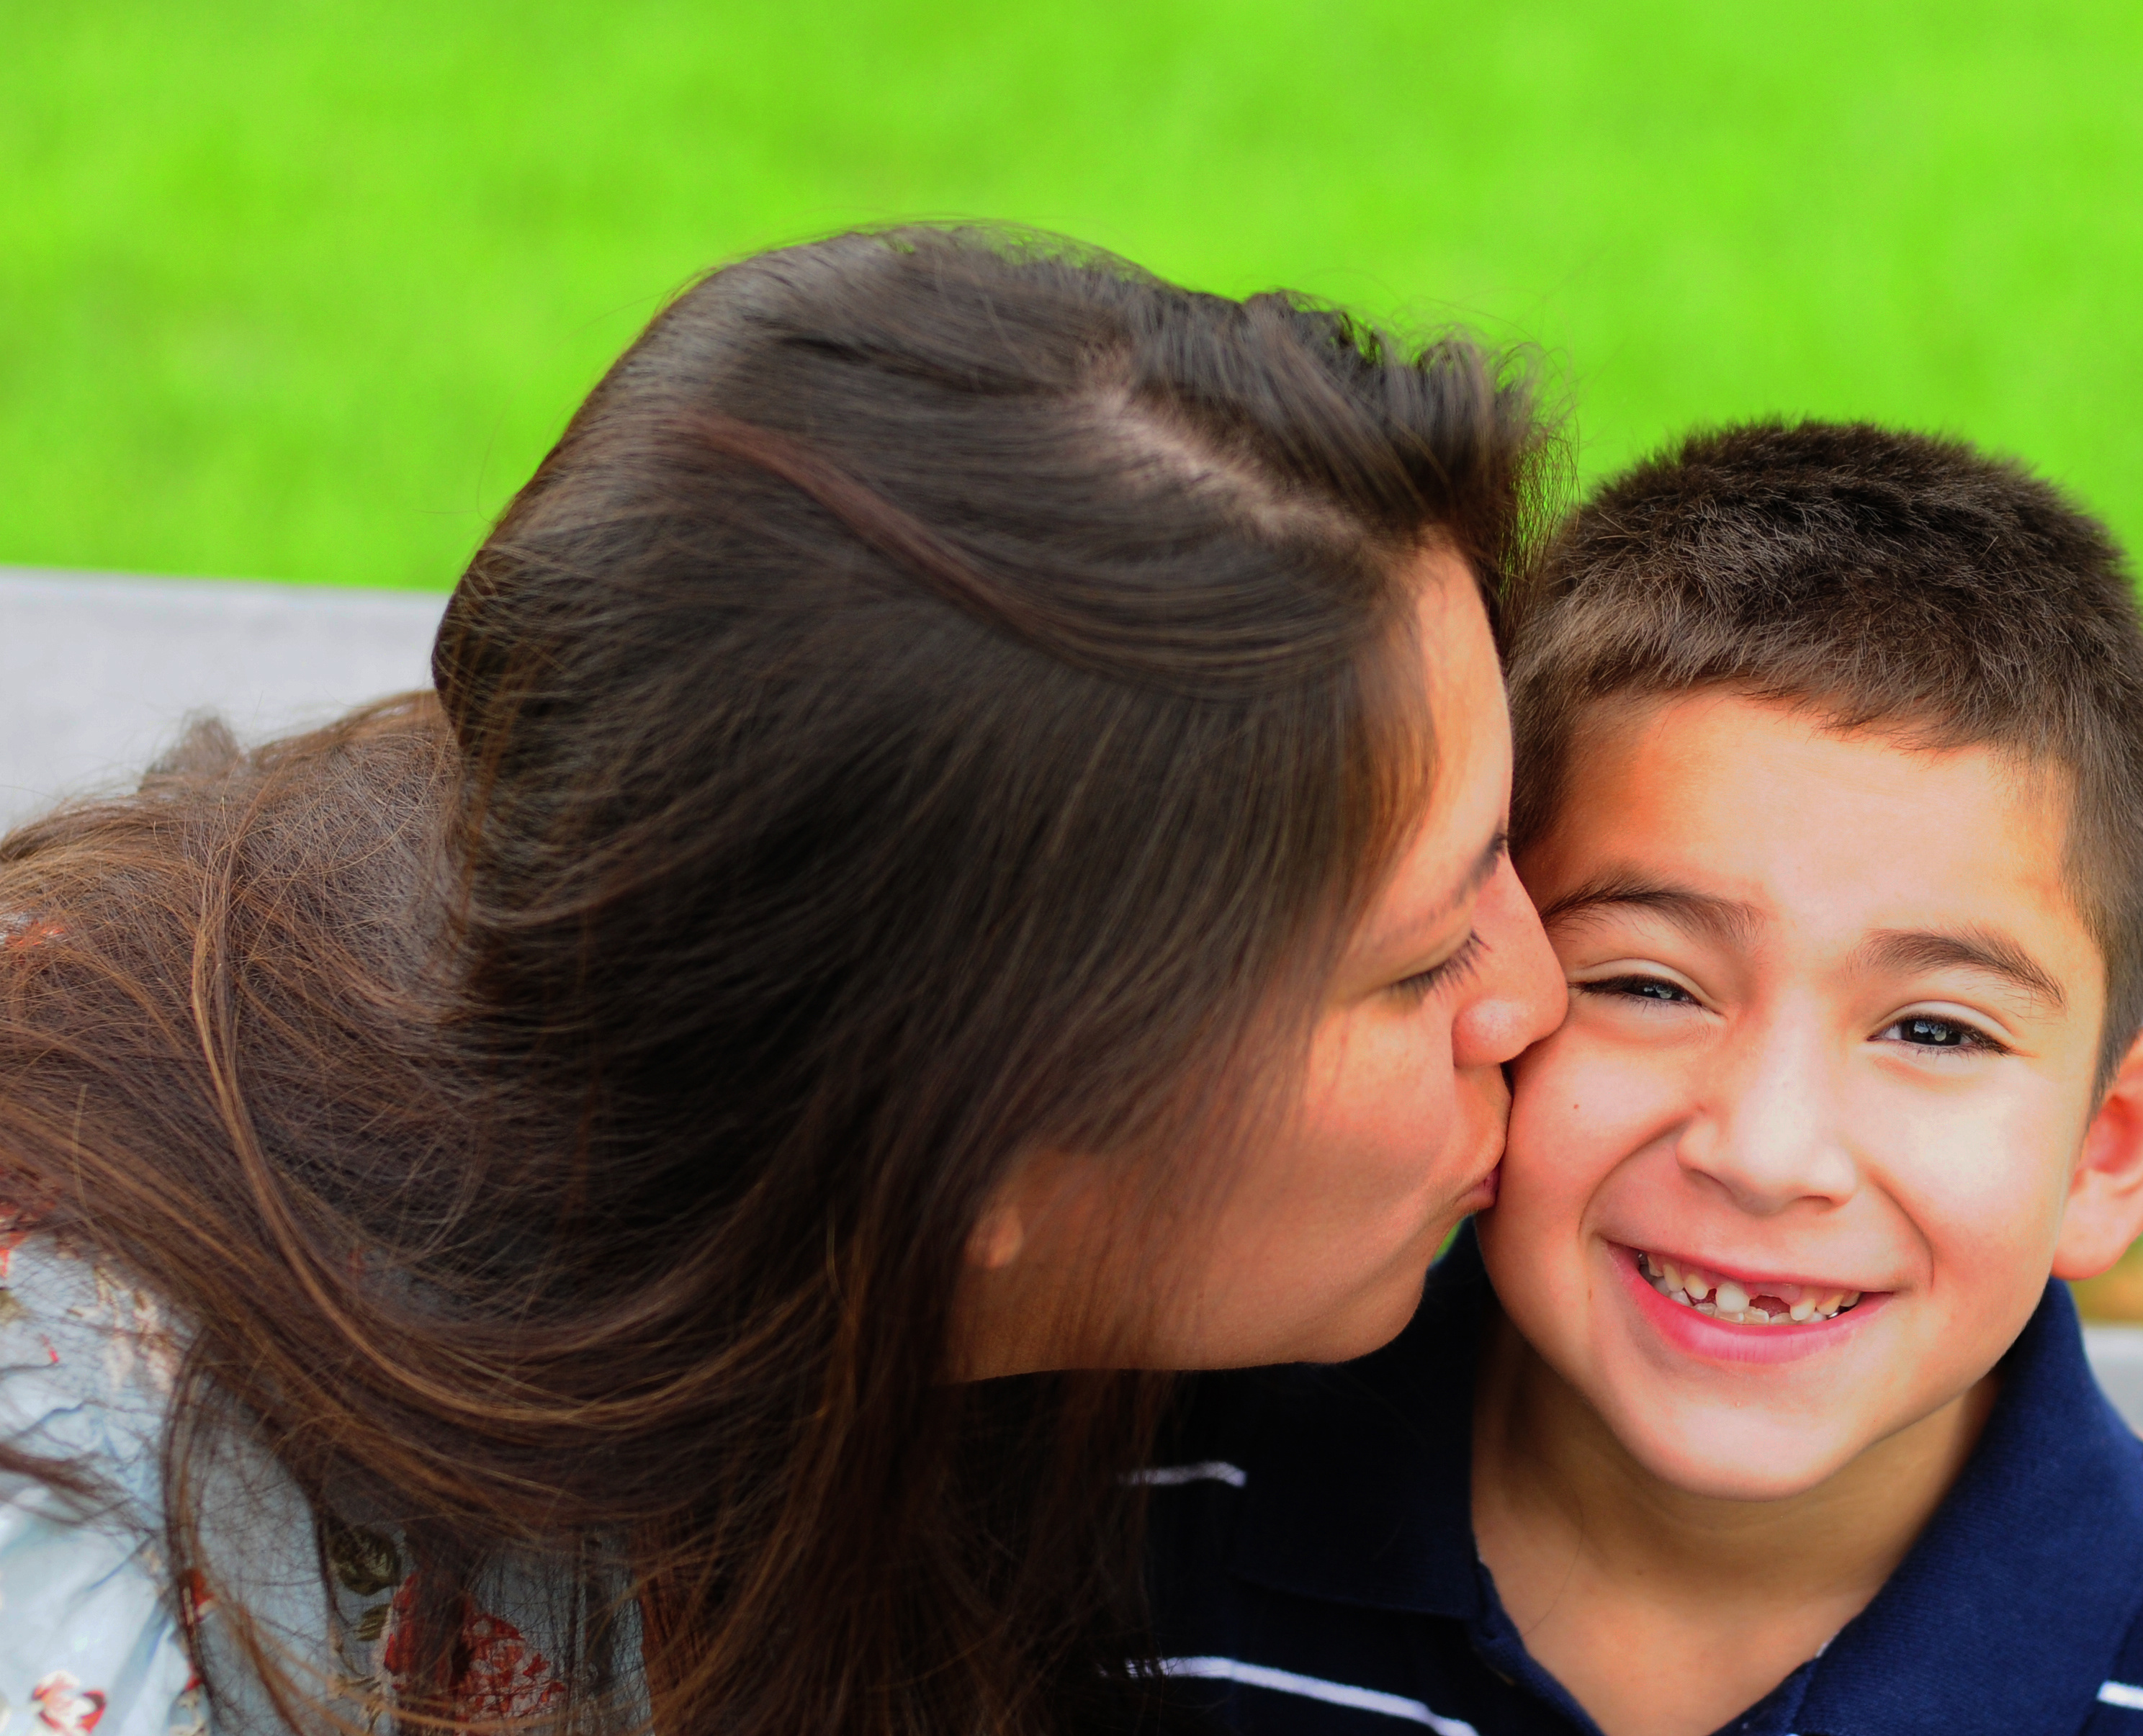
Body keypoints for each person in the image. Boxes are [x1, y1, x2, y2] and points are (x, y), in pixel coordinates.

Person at [0, 228, 1568, 1736]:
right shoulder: (81, 1538)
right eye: (1425, 960)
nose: (1537, 997)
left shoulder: (681, 980)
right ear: (971, 1142)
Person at [1143, 423, 2143, 1735]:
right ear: (1489, 990)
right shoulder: (1140, 1523)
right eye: (1646, 984)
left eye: (1934, 1032)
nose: (1765, 1149)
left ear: (2108, 1146)